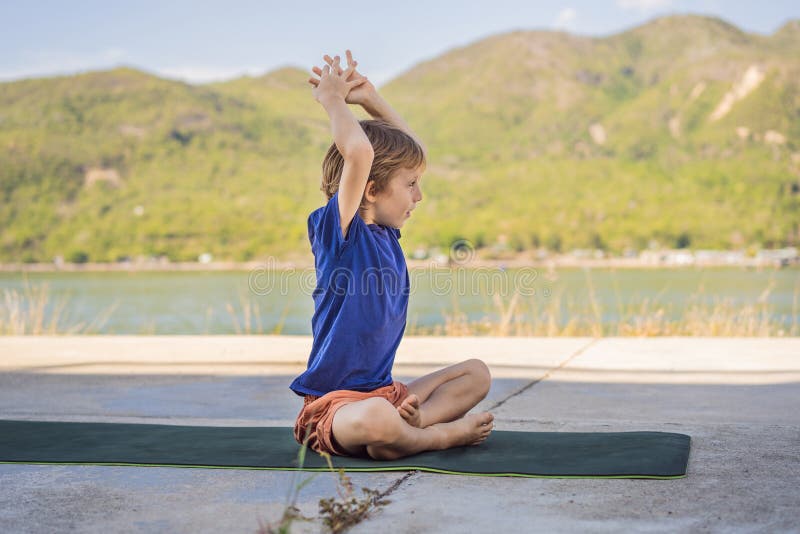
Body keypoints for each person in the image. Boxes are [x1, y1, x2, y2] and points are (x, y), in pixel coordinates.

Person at [291, 50, 494, 460]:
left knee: (477, 374)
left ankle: (411, 425)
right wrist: (331, 100)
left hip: (387, 393)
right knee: (377, 420)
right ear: (369, 188)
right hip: (334, 409)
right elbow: (361, 154)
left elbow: (411, 151)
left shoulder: (386, 233)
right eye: (410, 185)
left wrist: (371, 99)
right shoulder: (341, 234)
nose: (419, 196)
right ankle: (436, 436)